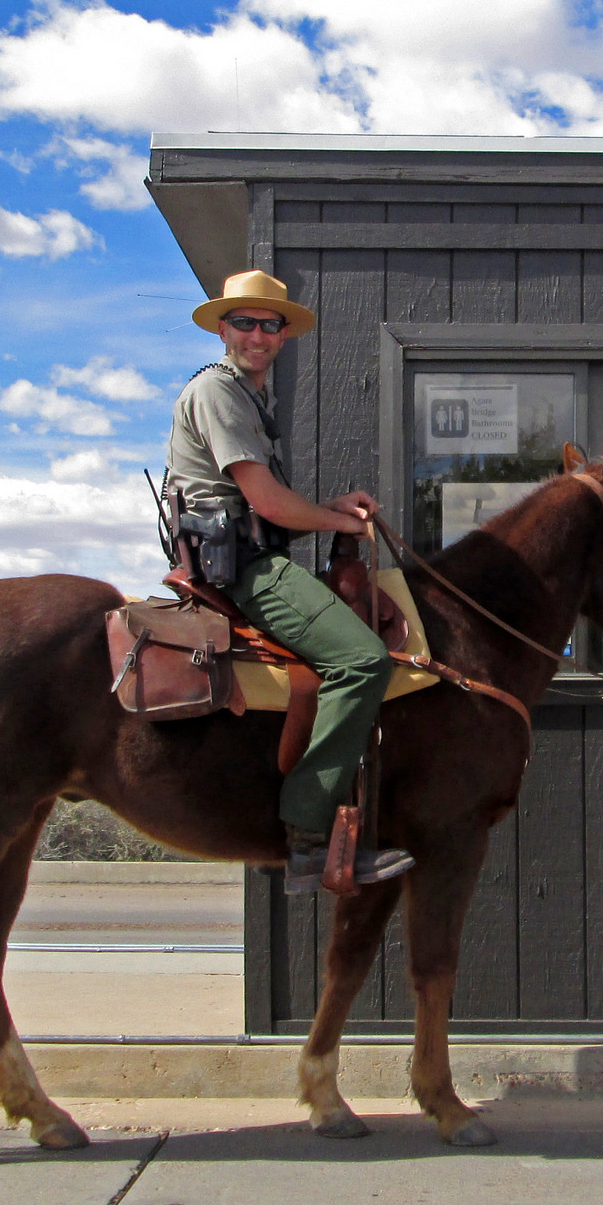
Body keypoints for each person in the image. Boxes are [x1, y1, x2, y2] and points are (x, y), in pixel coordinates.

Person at [166, 269, 413, 894]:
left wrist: (333, 507)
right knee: (362, 661)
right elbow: (268, 504)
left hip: (249, 553)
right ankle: (306, 833)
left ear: (282, 335)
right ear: (223, 329)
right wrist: (341, 520)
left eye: (269, 324)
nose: (256, 335)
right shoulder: (219, 394)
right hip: (245, 572)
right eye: (243, 322)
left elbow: (262, 510)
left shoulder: (248, 397)